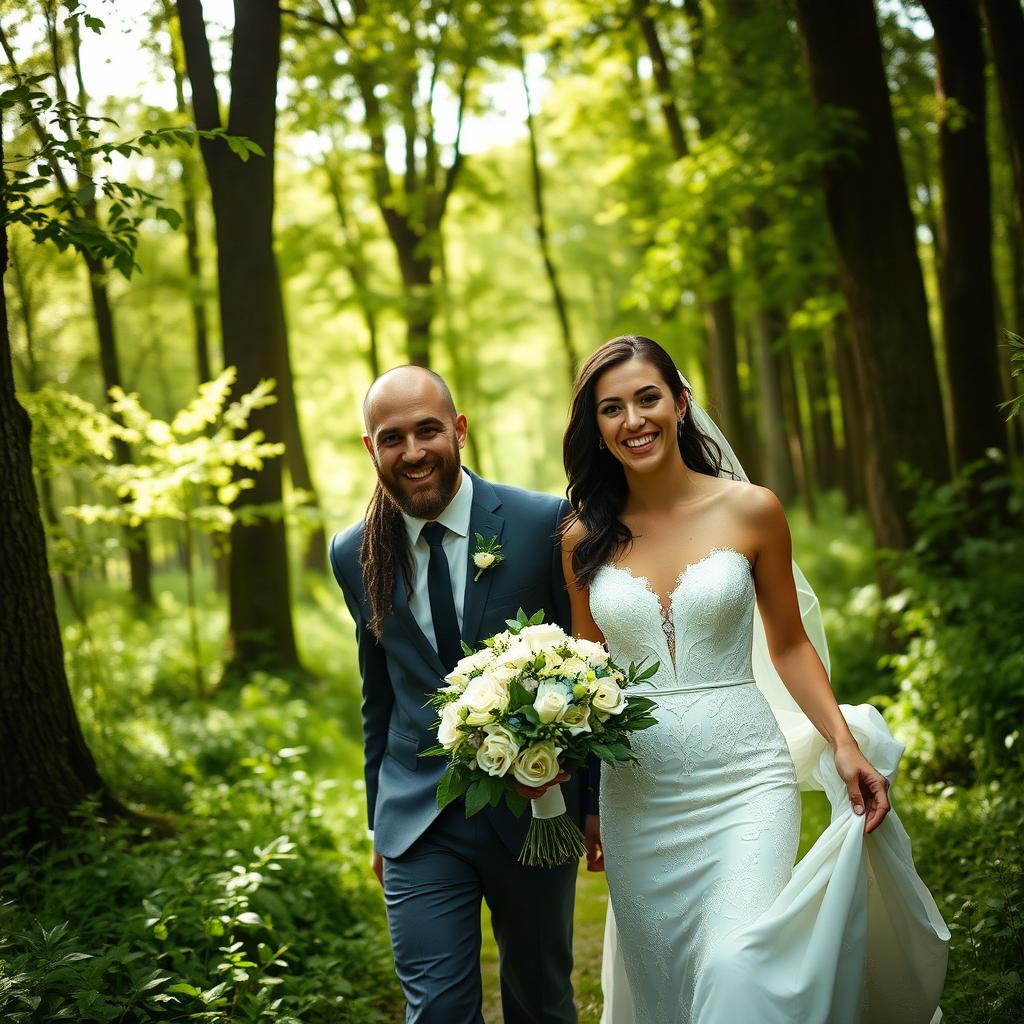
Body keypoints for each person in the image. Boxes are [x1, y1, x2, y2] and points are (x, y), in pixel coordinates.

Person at [559, 336, 949, 1024]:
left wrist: (842, 742)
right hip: (637, 799)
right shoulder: (582, 538)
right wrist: (583, 792)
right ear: (596, 427)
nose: (633, 420)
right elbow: (588, 678)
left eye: (648, 398)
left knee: (736, 969)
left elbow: (791, 644)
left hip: (745, 781)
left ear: (680, 403)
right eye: (611, 408)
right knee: (671, 989)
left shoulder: (751, 510)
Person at [329, 365, 599, 1024]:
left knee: (542, 1000)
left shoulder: (543, 523)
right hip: (417, 817)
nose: (413, 451)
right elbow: (380, 694)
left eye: (428, 430)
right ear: (372, 449)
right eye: (392, 438)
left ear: (460, 430)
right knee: (439, 1012)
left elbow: (586, 672)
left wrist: (588, 801)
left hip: (533, 809)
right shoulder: (351, 552)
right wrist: (378, 822)